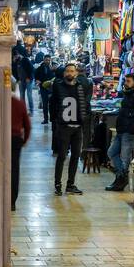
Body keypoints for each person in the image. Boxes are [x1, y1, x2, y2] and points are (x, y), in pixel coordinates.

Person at [48, 62, 91, 195]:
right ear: (64, 73)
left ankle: (70, 184)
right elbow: (53, 103)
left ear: (76, 73)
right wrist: (55, 121)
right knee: (61, 156)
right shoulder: (58, 86)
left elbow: (85, 104)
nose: (69, 73)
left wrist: (84, 120)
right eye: (67, 71)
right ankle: (57, 184)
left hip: (77, 127)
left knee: (75, 156)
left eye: (72, 71)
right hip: (63, 127)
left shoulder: (81, 86)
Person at [107, 73, 134, 191]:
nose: (125, 83)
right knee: (111, 152)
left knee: (125, 158)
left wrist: (131, 129)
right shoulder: (129, 94)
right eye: (125, 81)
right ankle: (122, 176)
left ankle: (120, 180)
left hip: (129, 132)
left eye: (128, 81)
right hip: (122, 130)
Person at [10, 89, 30, 211]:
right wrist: (24, 140)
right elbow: (27, 125)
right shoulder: (20, 103)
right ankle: (12, 201)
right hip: (15, 139)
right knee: (14, 169)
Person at [34, 55, 55, 124]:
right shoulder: (40, 68)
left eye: (49, 60)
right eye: (46, 60)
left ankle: (52, 118)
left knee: (52, 104)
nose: (48, 61)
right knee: (45, 104)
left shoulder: (53, 67)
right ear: (44, 60)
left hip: (52, 89)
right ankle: (45, 119)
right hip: (43, 88)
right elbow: (36, 76)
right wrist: (37, 80)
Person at [13, 47, 35, 111]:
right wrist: (18, 79)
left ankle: (31, 110)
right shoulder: (16, 61)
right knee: (22, 95)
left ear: (19, 54)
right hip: (21, 80)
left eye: (16, 56)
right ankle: (23, 110)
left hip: (28, 80)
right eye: (14, 57)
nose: (16, 57)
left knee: (29, 95)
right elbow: (15, 72)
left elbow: (32, 69)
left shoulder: (25, 60)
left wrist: (29, 77)